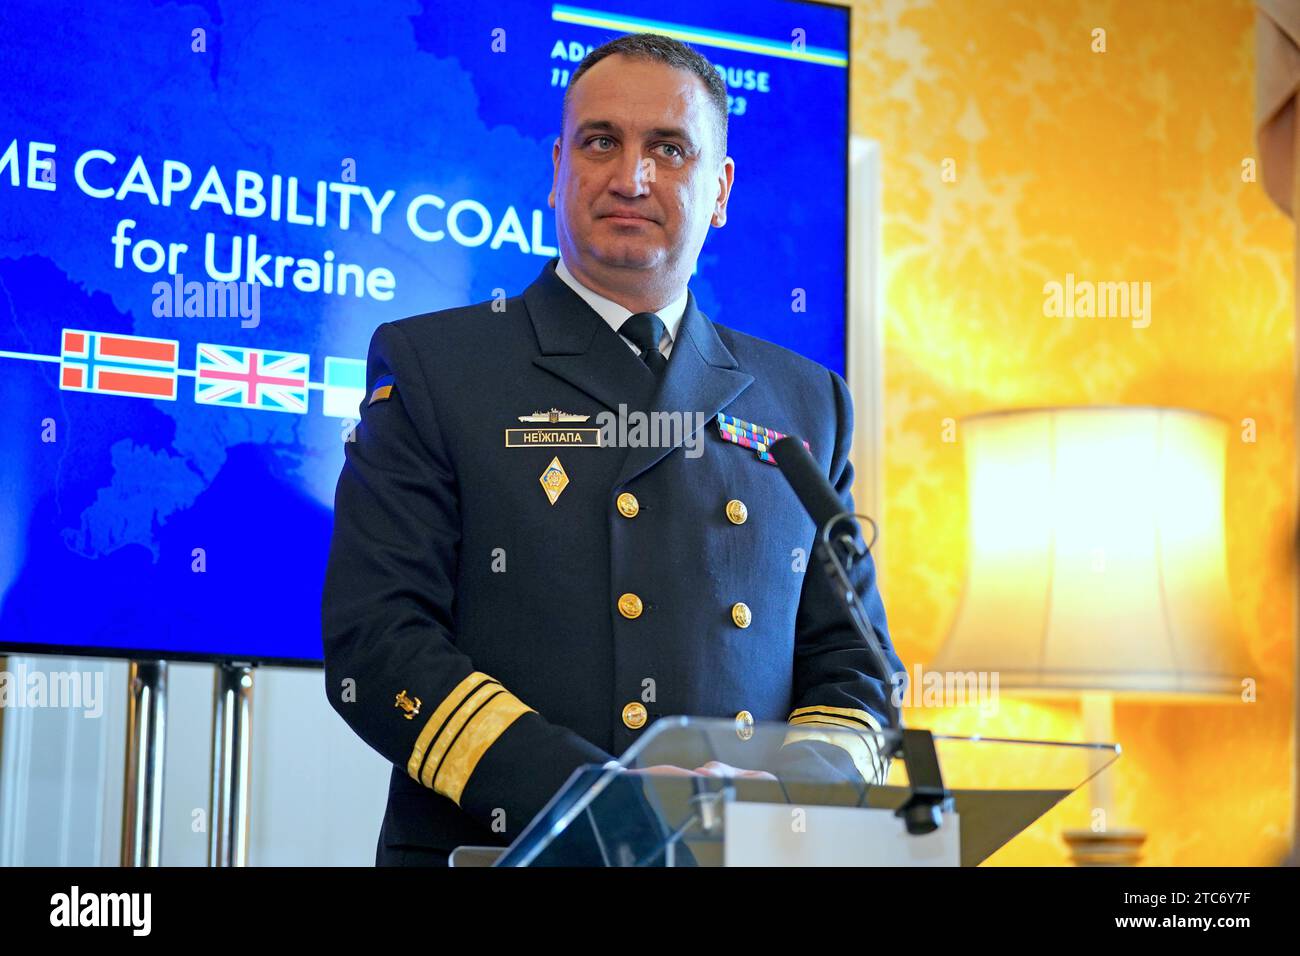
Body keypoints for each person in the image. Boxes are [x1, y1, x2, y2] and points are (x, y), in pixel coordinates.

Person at [321, 32, 904, 867]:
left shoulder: (806, 400)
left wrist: (782, 795)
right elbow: (377, 641)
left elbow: (858, 667)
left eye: (669, 149)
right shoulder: (436, 365)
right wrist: (603, 803)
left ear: (721, 189)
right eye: (602, 142)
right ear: (558, 165)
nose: (632, 177)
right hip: (513, 849)